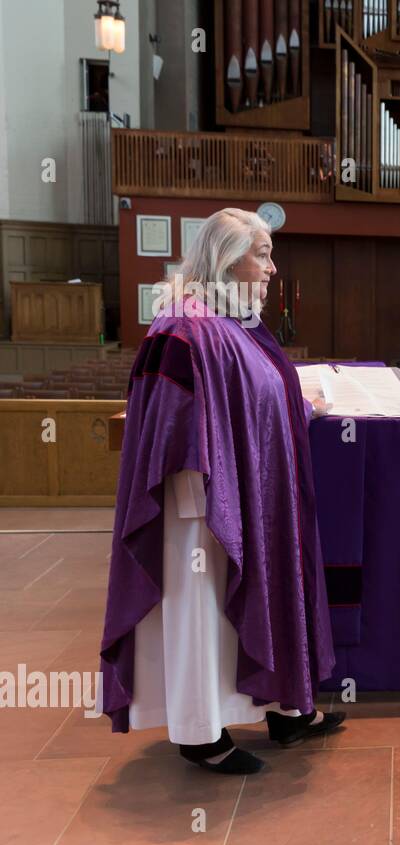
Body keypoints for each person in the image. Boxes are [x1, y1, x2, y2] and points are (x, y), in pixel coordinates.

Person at [100, 208, 345, 775]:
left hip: (252, 494)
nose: (272, 268)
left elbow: (251, 398)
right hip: (203, 508)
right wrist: (207, 502)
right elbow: (167, 423)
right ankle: (200, 735)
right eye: (262, 254)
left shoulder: (236, 324)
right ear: (226, 259)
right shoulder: (184, 329)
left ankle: (287, 711)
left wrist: (301, 406)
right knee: (205, 616)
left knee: (264, 601)